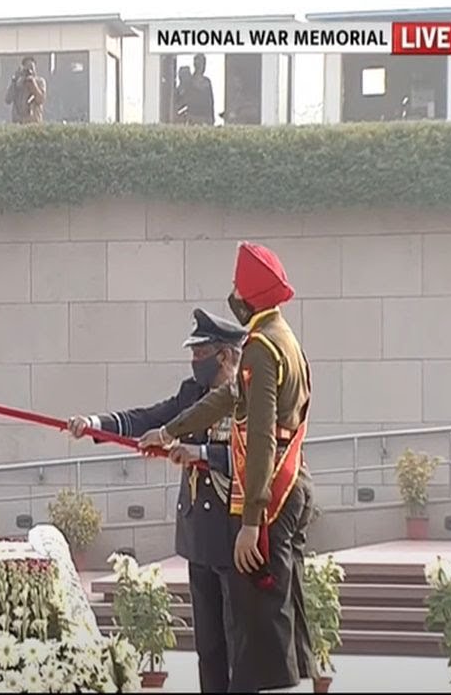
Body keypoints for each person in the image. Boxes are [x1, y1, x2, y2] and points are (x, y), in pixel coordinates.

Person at [140, 241, 316, 693]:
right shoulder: (282, 338)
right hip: (289, 486)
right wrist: (171, 431)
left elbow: (258, 437)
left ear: (249, 296)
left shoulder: (260, 347)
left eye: (237, 288)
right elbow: (227, 398)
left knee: (258, 639)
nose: (233, 295)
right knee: (272, 626)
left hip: (268, 500)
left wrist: (250, 522)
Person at [67, 308, 245, 693]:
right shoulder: (191, 394)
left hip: (235, 536)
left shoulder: (247, 399)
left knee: (239, 646)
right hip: (200, 536)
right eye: (193, 354)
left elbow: (258, 460)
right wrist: (96, 425)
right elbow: (152, 418)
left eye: (202, 354)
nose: (194, 361)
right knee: (209, 647)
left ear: (226, 356)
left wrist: (200, 455)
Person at [5, 56, 47, 124]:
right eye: (27, 68)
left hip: (34, 122)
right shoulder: (18, 83)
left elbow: (40, 100)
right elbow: (8, 99)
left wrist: (33, 84)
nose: (29, 70)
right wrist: (14, 81)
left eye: (31, 67)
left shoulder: (40, 82)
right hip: (18, 121)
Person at [184, 54, 216, 126]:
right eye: (200, 63)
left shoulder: (207, 82)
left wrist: (211, 119)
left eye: (204, 64)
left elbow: (210, 102)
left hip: (206, 119)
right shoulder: (189, 81)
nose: (202, 66)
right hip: (192, 119)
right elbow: (185, 100)